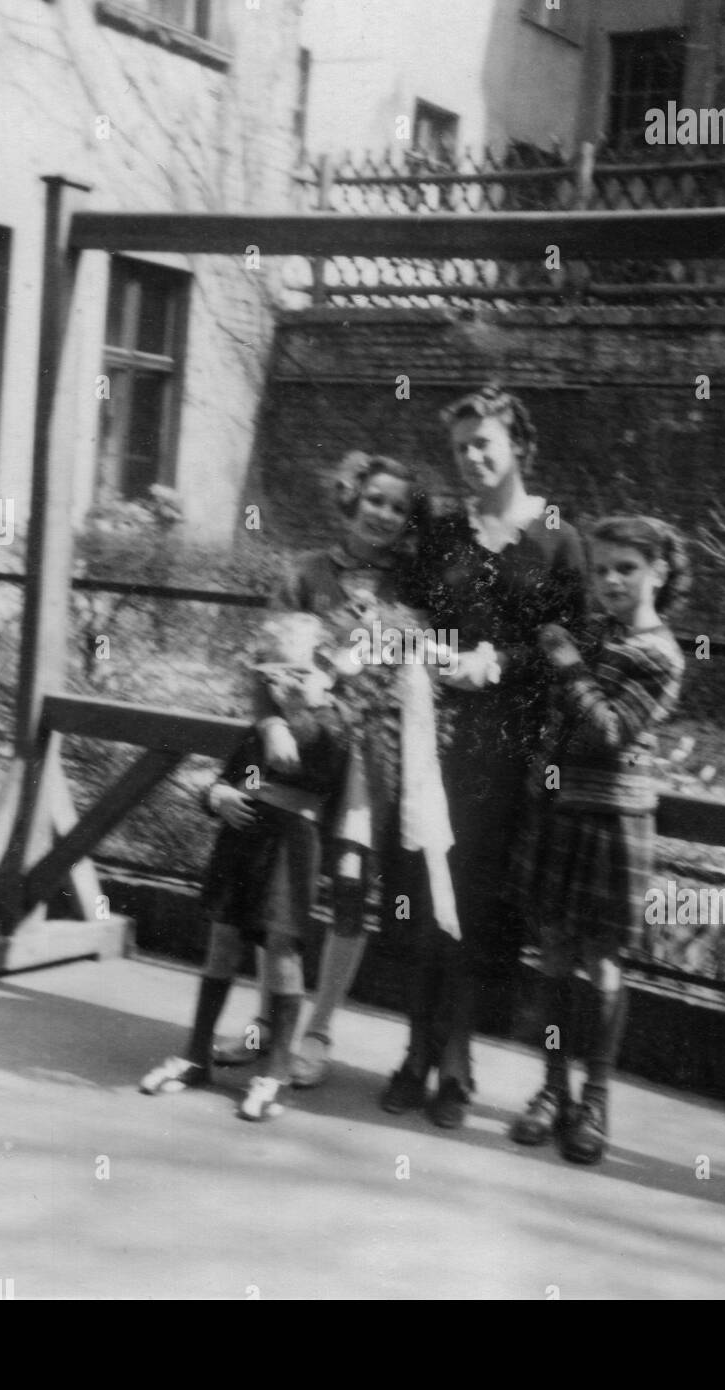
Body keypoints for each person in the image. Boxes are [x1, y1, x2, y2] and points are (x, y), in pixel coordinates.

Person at [380, 383, 588, 1129]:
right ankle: (413, 1052)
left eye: (484, 445)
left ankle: (457, 1064)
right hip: (433, 736)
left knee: (469, 903)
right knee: (419, 888)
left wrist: (497, 662)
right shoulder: (441, 531)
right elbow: (403, 613)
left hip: (508, 751)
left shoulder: (559, 536)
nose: (470, 459)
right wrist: (422, 648)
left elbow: (570, 645)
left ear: (518, 447)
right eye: (460, 448)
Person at [212, 453, 452, 1088]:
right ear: (351, 498)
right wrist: (268, 723)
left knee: (350, 886)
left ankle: (317, 1029)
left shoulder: (417, 586)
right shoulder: (307, 575)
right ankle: (267, 1021)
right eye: (376, 499)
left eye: (400, 508)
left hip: (369, 757)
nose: (385, 515)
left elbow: (422, 673)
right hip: (301, 748)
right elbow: (268, 659)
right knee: (278, 883)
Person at [507, 515, 688, 1164]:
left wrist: (564, 662)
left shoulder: (660, 653)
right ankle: (552, 1091)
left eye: (626, 569)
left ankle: (596, 1100)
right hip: (560, 814)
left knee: (603, 964)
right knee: (553, 957)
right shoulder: (594, 634)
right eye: (600, 569)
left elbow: (609, 731)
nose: (609, 581)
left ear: (657, 573)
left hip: (614, 824)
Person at [137, 612, 351, 1120]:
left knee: (281, 948)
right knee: (223, 941)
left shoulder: (334, 723)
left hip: (291, 846)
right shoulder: (262, 728)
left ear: (328, 671)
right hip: (242, 839)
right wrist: (220, 795)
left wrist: (294, 716)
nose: (286, 685)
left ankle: (274, 1074)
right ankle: (195, 1055)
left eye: (299, 674)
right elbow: (232, 775)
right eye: (276, 675)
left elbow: (319, 765)